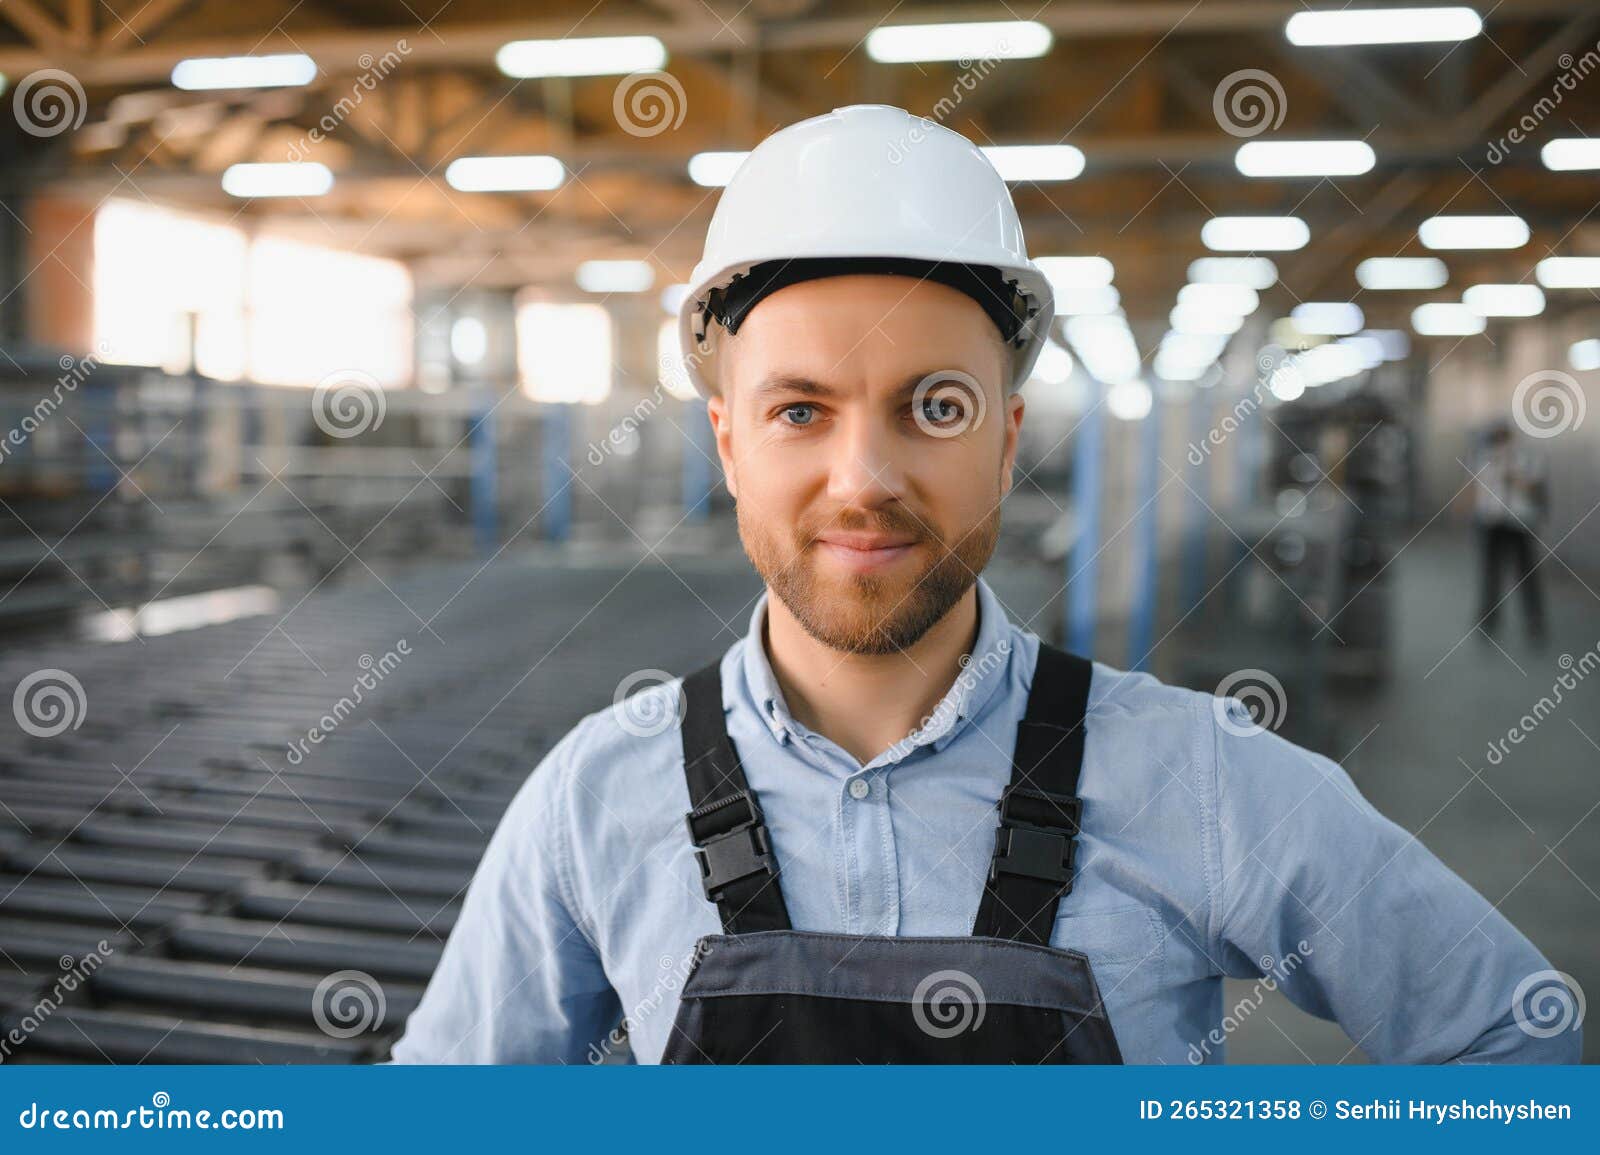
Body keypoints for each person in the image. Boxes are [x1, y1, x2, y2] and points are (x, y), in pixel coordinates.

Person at [389, 106, 1579, 1065]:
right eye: (799, 410)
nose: (863, 480)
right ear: (728, 445)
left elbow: (1513, 1046)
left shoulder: (1206, 782)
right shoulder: (592, 805)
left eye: (933, 407)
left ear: (1007, 441)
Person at [1474, 420, 1548, 642]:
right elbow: (1481, 490)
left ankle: (1534, 623)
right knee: (1491, 574)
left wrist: (1510, 472)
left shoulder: (1527, 458)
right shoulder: (1487, 458)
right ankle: (1489, 622)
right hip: (1494, 523)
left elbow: (1535, 488)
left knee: (1527, 575)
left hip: (1519, 523)